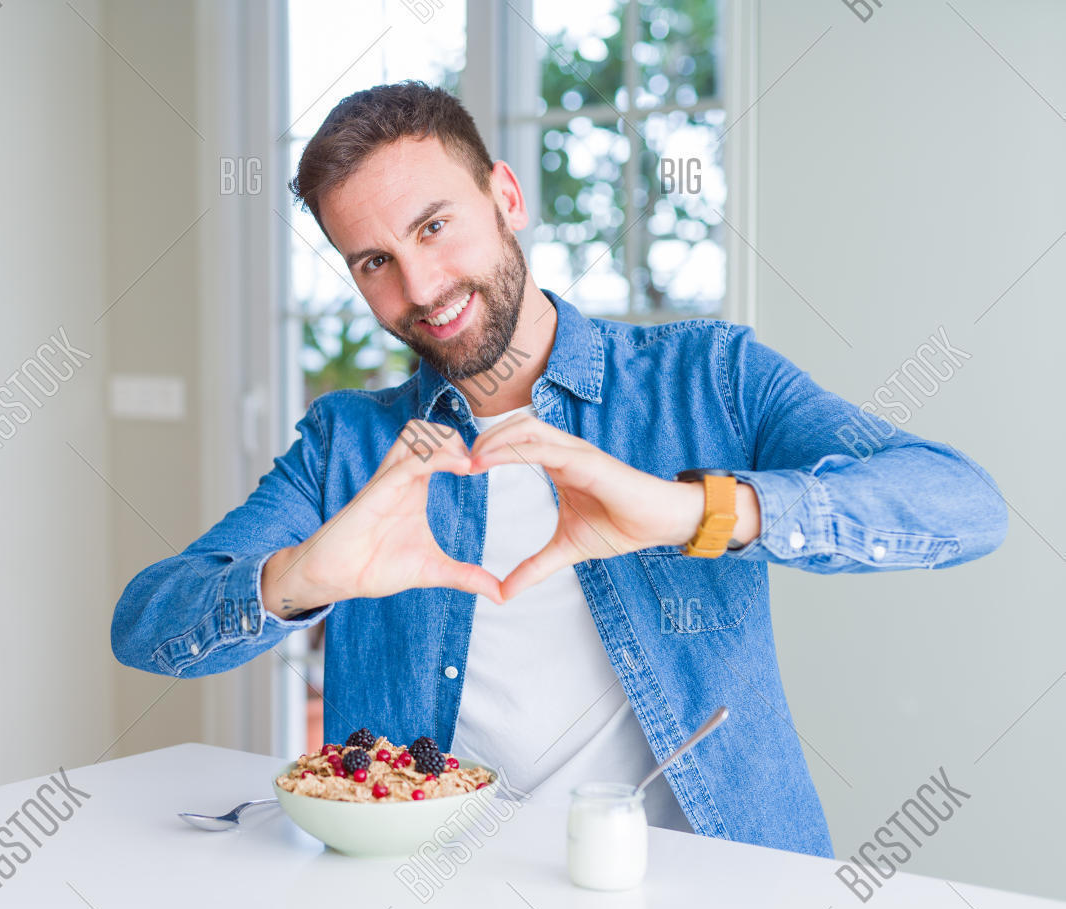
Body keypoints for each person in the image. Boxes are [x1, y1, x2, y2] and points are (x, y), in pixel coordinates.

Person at [111, 82, 1007, 857]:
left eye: (435, 226)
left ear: (505, 196)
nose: (420, 288)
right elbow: (146, 622)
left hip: (716, 894)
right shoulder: (346, 444)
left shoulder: (711, 377)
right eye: (375, 261)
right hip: (437, 904)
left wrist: (691, 512)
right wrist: (301, 578)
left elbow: (963, 504)